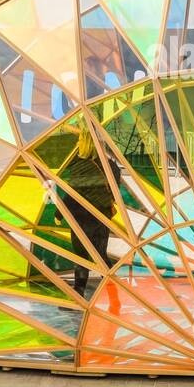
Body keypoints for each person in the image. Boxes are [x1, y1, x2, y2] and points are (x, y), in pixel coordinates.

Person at [56, 128, 121, 298]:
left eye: (80, 140)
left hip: (82, 219)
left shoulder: (81, 165)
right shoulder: (111, 166)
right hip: (102, 218)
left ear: (86, 143)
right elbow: (115, 193)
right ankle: (115, 294)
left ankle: (79, 293)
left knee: (81, 257)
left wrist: (58, 214)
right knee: (101, 256)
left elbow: (71, 194)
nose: (77, 143)